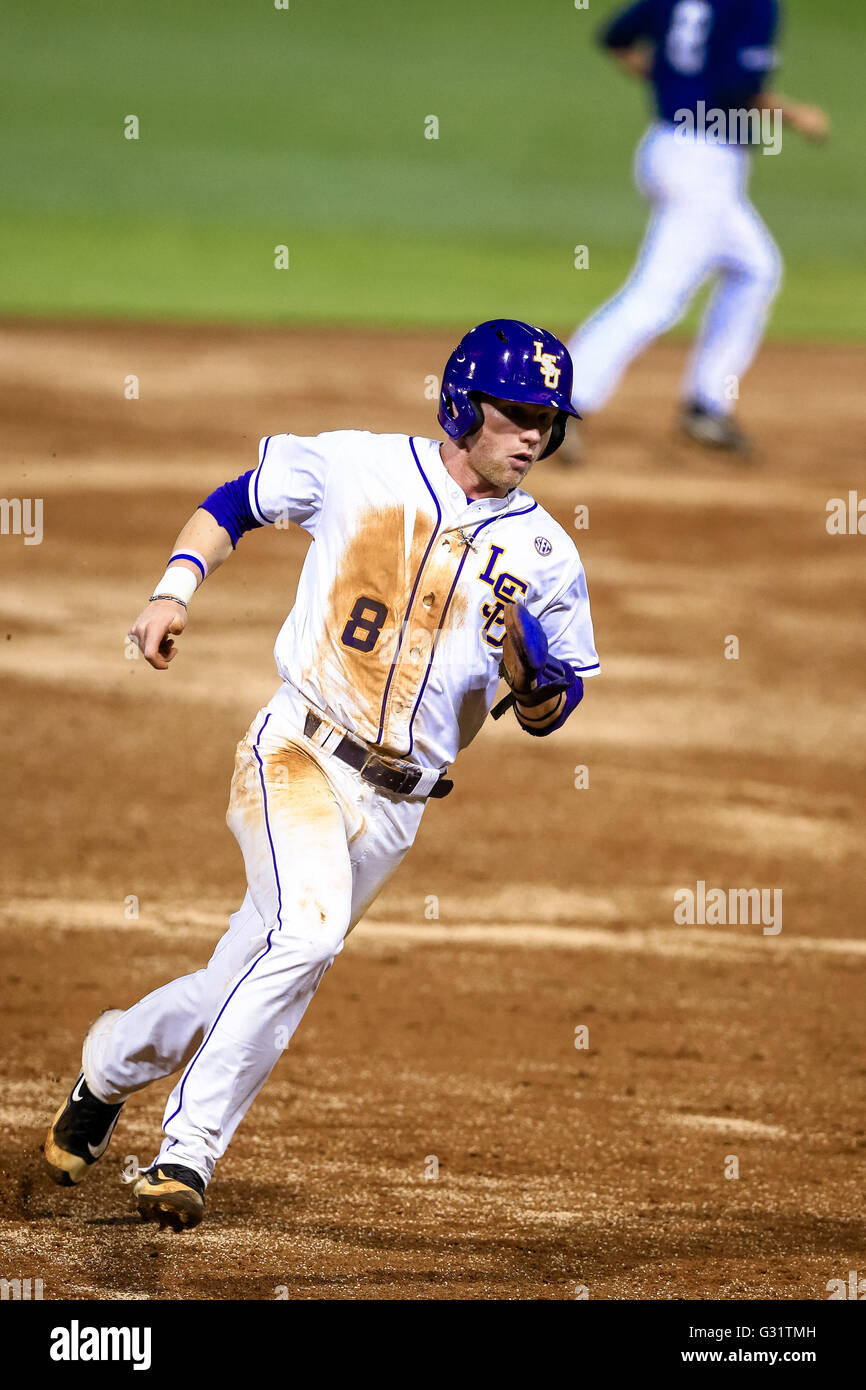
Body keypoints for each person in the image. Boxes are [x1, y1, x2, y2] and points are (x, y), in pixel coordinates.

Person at [43, 319, 601, 1230]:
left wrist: (537, 687)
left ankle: (109, 1064)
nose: (534, 436)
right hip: (297, 751)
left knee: (244, 976)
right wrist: (173, 590)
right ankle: (187, 1154)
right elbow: (236, 501)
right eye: (517, 414)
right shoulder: (359, 466)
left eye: (550, 421)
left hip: (398, 809)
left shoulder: (547, 556)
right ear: (464, 404)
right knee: (305, 941)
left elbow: (554, 704)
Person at [566, 0, 829, 454]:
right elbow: (736, 88)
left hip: (668, 145)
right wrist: (796, 115)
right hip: (704, 162)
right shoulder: (756, 6)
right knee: (656, 297)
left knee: (756, 269)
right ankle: (561, 403)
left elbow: (615, 38)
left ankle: (707, 404)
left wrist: (674, 82)